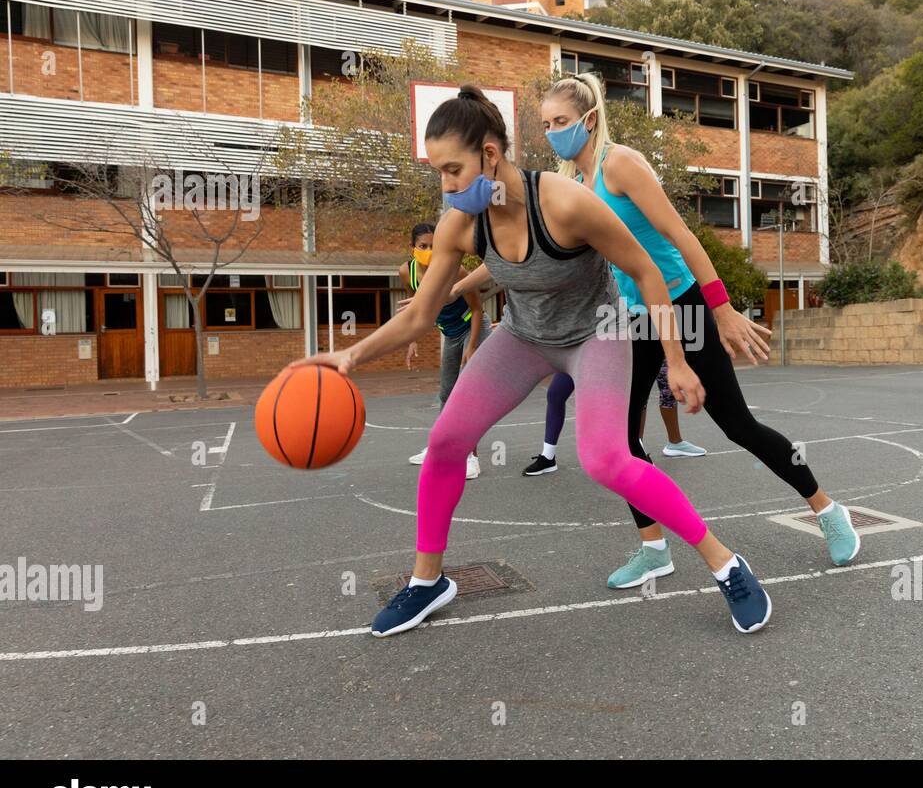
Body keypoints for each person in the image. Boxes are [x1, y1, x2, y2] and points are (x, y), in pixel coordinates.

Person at [291, 85, 771, 637]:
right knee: (446, 442)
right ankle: (428, 582)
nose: (445, 186)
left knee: (604, 460)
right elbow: (421, 314)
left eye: (453, 170)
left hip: (598, 334)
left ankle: (727, 564)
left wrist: (677, 362)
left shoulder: (565, 204)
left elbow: (645, 271)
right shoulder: (461, 222)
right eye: (439, 173)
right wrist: (349, 355)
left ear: (490, 156)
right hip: (524, 336)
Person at [457, 73, 860, 591]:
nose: (554, 131)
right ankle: (653, 549)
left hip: (679, 302)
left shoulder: (619, 164)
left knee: (736, 424)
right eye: (547, 124)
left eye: (562, 122)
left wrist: (721, 307)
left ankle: (827, 510)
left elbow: (678, 232)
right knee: (621, 439)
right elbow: (507, 256)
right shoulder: (569, 187)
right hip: (626, 317)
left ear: (590, 120)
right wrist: (448, 287)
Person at [400, 223, 490, 479]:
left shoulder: (456, 270)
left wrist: (471, 347)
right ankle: (440, 447)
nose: (428, 250)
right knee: (445, 393)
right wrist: (413, 339)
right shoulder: (407, 273)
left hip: (472, 327)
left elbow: (477, 310)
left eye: (433, 246)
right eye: (422, 246)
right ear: (412, 248)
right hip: (449, 333)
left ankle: (471, 457)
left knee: (468, 394)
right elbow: (415, 308)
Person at [519, 359, 706, 477]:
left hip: (620, 341)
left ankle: (640, 450)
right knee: (556, 394)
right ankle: (548, 456)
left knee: (639, 396)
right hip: (581, 343)